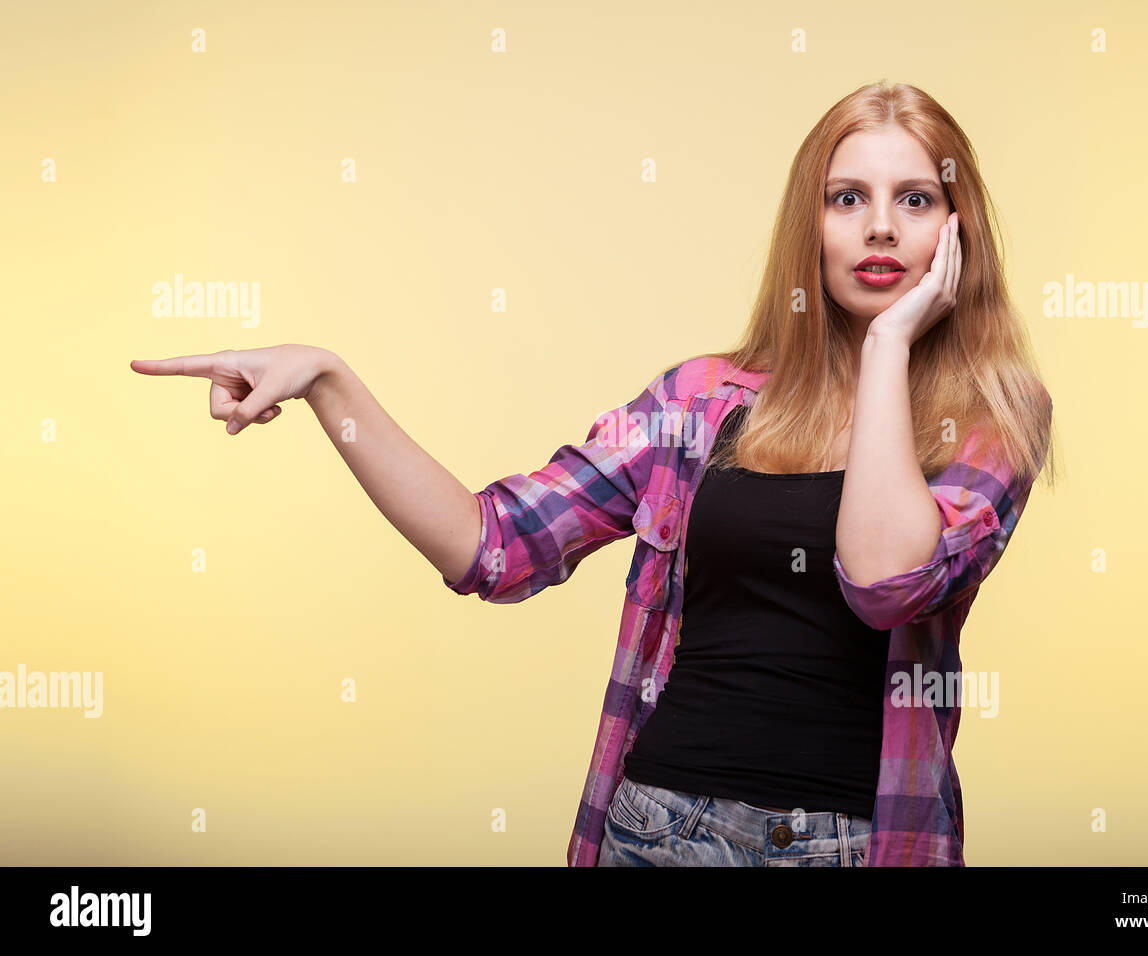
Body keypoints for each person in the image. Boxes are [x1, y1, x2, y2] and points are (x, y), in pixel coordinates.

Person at [130, 80, 1056, 867]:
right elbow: (494, 548)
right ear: (809, 225)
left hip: (852, 841)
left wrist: (891, 343)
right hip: (656, 825)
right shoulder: (700, 401)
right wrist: (331, 381)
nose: (881, 227)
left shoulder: (991, 415)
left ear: (956, 229)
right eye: (847, 197)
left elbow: (888, 581)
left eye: (916, 200)